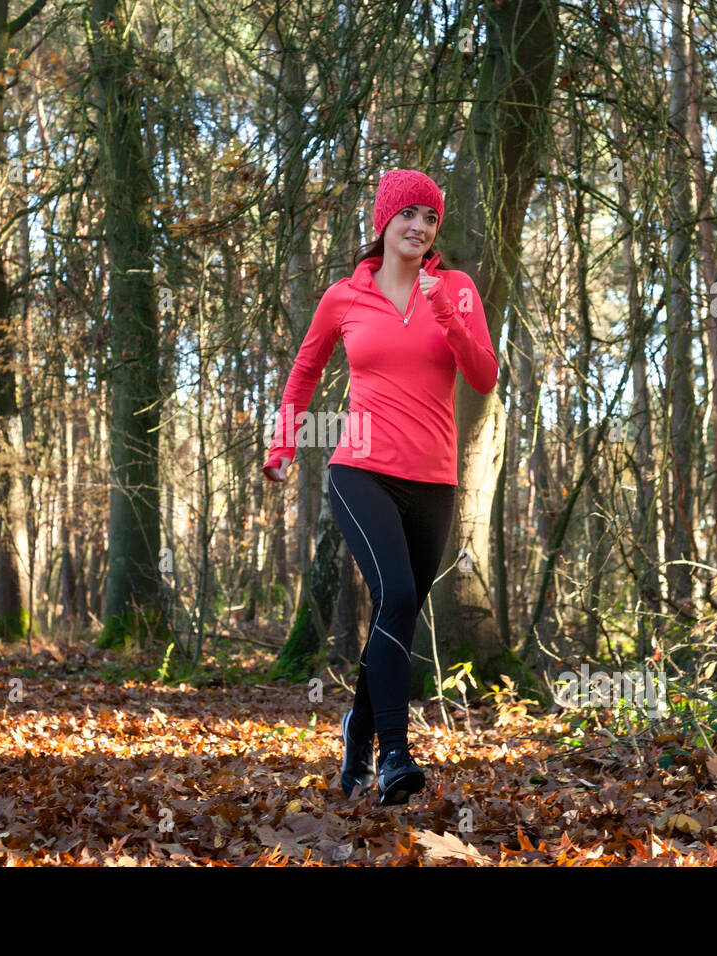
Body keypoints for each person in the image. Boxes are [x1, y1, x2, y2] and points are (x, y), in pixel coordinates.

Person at [262, 169, 498, 805]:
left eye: (430, 218)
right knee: (395, 591)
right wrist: (284, 443)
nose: (419, 227)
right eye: (408, 215)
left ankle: (356, 731)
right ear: (384, 221)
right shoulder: (344, 296)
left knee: (401, 610)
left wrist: (446, 311)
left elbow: (482, 375)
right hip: (360, 470)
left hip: (434, 479)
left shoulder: (457, 288)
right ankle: (394, 752)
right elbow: (306, 369)